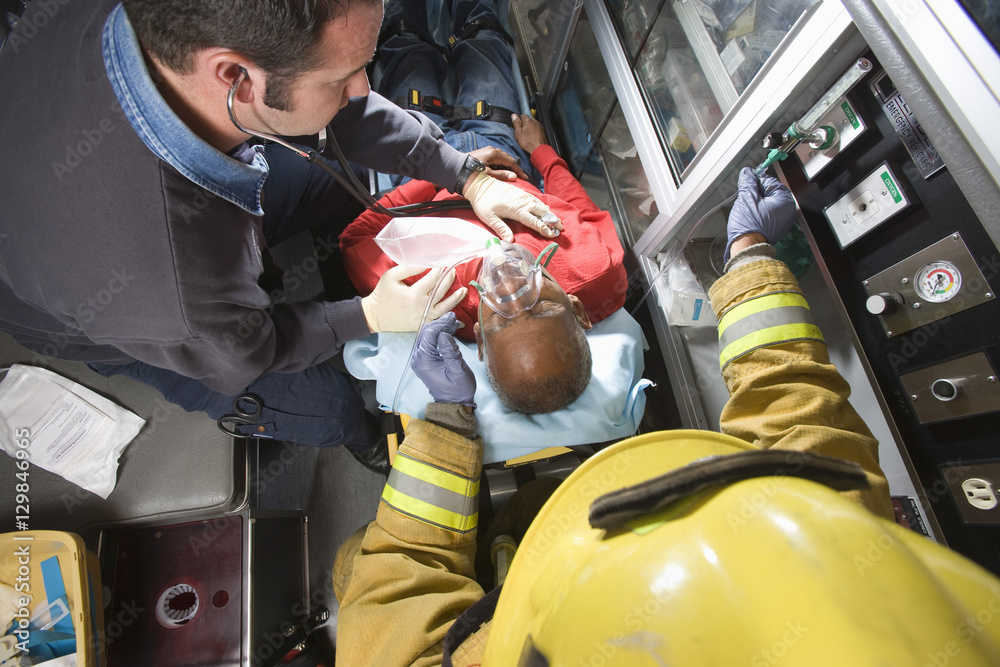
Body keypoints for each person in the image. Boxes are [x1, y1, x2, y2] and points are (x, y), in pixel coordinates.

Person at [331, 168, 1000, 665]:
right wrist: (749, 257)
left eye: (523, 307)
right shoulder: (860, 595)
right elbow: (806, 432)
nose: (510, 287)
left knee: (352, 562)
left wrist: (447, 421)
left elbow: (396, 590)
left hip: (515, 571)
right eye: (512, 311)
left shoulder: (462, 292)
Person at [0, 0, 561, 465]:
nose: (363, 89)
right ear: (235, 77)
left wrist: (464, 174)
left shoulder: (197, 38)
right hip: (111, 309)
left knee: (335, 169)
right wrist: (366, 316)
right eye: (341, 78)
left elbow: (344, 112)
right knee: (329, 407)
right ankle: (366, 442)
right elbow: (245, 353)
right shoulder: (168, 280)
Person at [340, 0, 628, 414]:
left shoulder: (426, 297)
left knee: (405, 45)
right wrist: (542, 152)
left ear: (478, 336)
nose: (511, 286)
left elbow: (356, 237)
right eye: (542, 306)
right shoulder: (600, 271)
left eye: (500, 319)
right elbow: (575, 206)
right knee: (484, 38)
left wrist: (446, 173)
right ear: (577, 309)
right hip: (503, 151)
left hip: (420, 165)